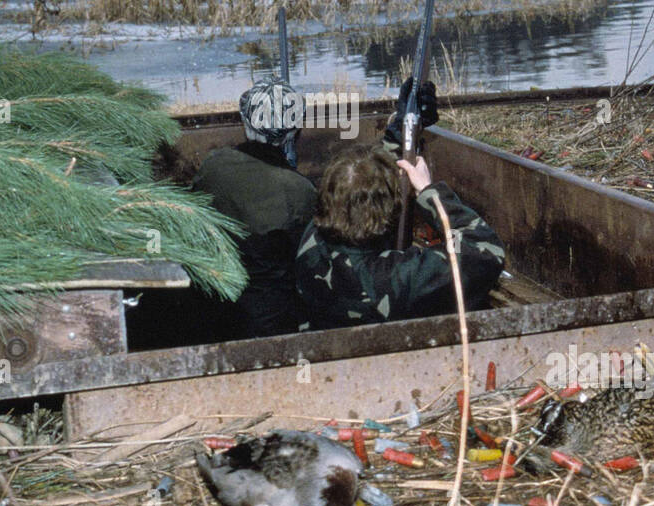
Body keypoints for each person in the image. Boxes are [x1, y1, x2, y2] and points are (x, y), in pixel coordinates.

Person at [295, 116, 505, 329]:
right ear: (386, 215)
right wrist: (429, 192)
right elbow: (485, 252)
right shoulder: (393, 278)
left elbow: (357, 182)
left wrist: (397, 138)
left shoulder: (312, 242)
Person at [192, 76, 315, 337]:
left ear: (246, 123)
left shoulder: (213, 165)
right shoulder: (300, 190)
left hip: (213, 306)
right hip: (270, 320)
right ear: (294, 131)